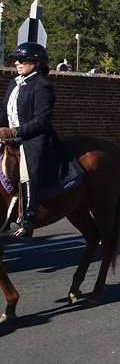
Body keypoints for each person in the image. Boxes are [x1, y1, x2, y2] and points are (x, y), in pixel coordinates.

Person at [0, 43, 71, 237]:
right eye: (16, 59)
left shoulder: (42, 86)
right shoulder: (14, 83)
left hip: (33, 139)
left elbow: (42, 120)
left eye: (22, 60)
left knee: (26, 171)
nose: (17, 63)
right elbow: (5, 112)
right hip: (10, 138)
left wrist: (14, 132)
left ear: (37, 63)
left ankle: (28, 218)